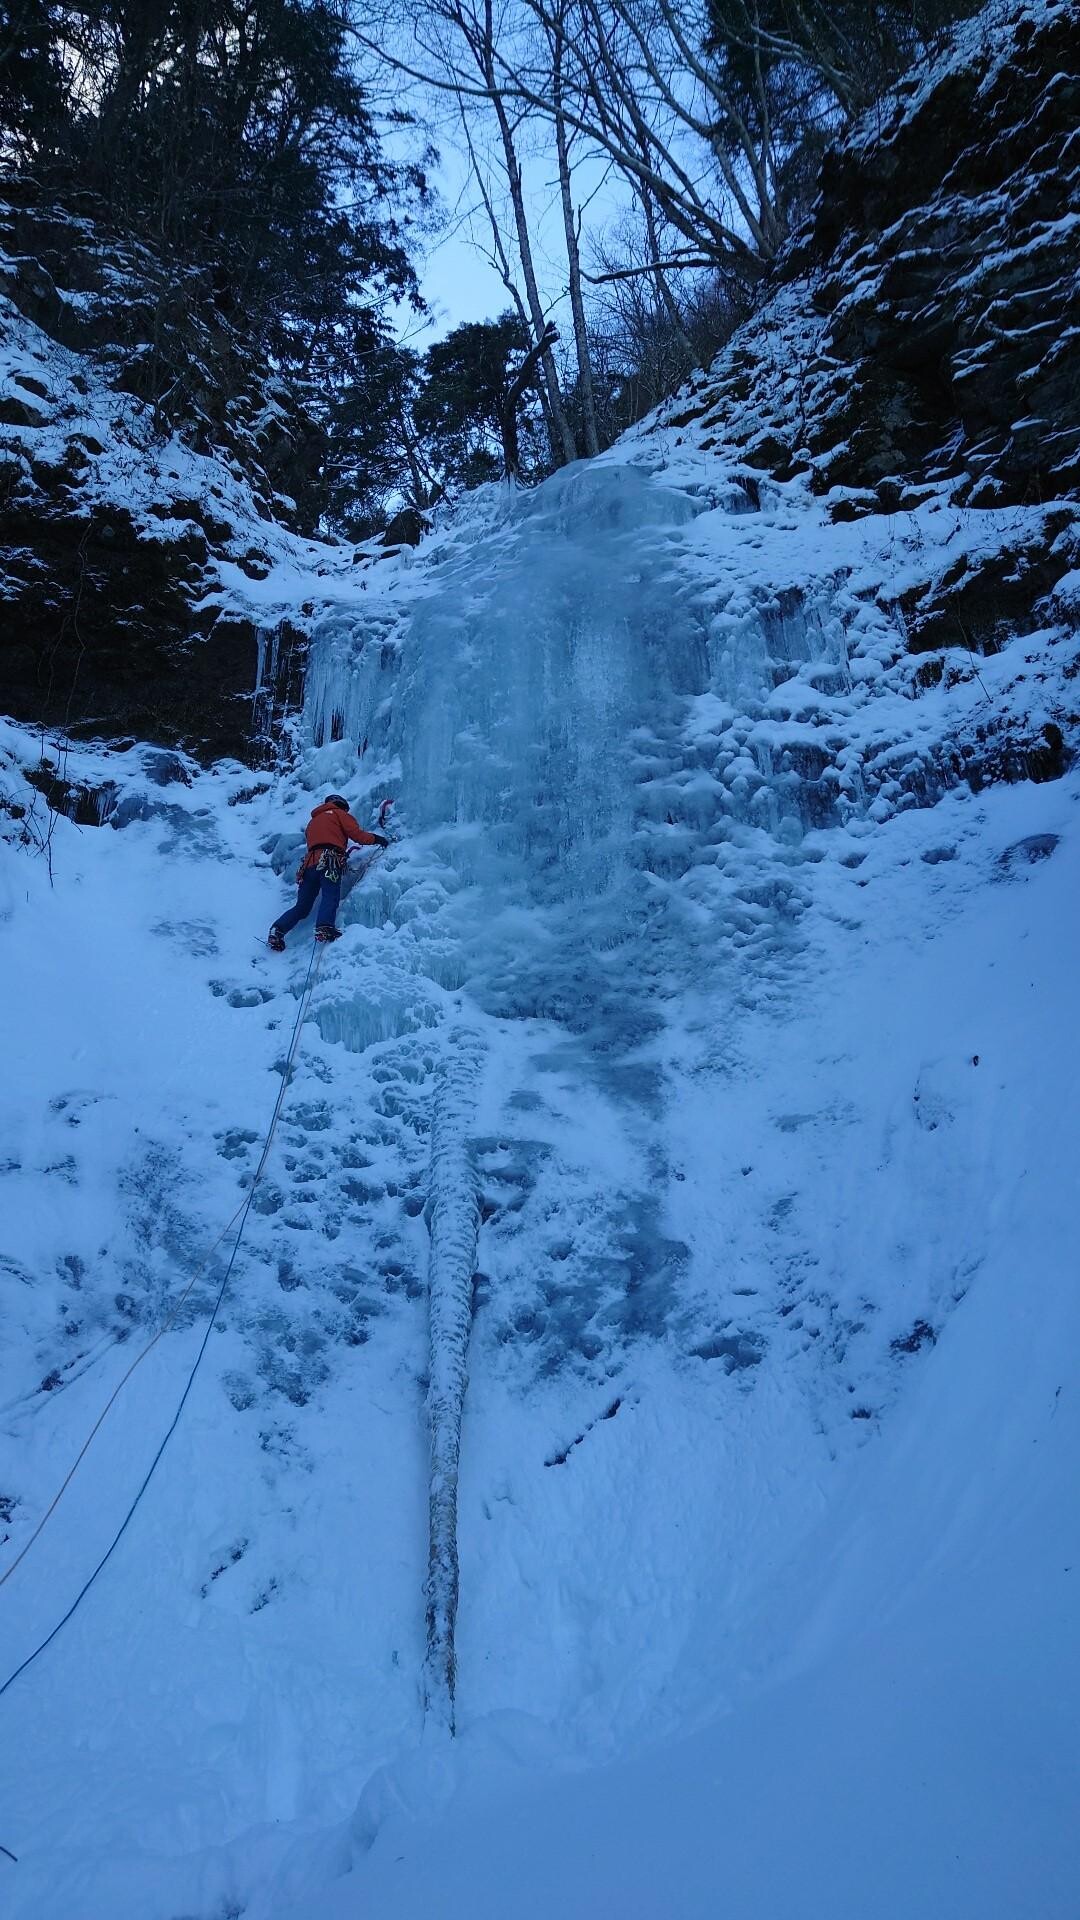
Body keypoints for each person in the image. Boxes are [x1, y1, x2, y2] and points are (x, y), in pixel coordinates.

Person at [268, 795, 389, 949]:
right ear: (341, 806)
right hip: (329, 861)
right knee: (330, 894)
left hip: (309, 866)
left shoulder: (313, 822)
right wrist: (378, 839)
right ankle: (324, 927)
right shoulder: (340, 814)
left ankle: (277, 930)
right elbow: (358, 835)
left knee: (302, 907)